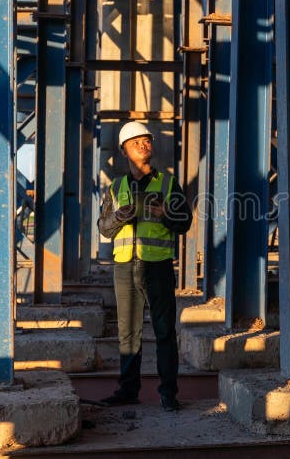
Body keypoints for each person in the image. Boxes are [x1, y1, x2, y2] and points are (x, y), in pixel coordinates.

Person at [97, 121, 192, 411]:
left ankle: (168, 394)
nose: (143, 145)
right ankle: (128, 390)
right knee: (127, 334)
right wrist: (118, 218)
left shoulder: (168, 184)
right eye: (136, 142)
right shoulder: (116, 187)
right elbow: (104, 228)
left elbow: (184, 223)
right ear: (125, 150)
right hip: (124, 268)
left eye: (146, 141)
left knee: (164, 332)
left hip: (157, 267)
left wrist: (165, 214)